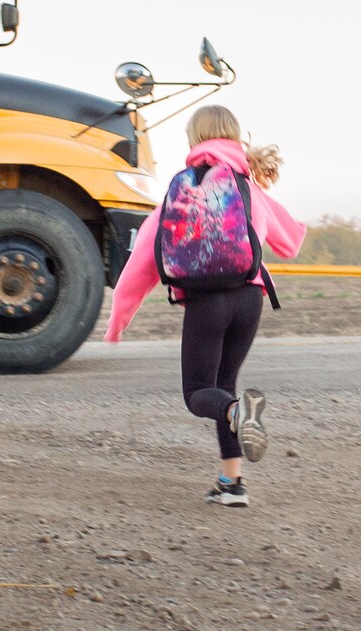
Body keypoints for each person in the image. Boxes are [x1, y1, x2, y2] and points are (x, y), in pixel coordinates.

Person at [105, 105, 303, 506]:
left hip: (206, 302)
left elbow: (142, 260)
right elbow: (290, 244)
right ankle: (232, 484)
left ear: (194, 140)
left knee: (200, 393)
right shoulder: (248, 188)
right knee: (223, 386)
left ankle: (236, 414)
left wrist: (118, 321)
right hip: (249, 298)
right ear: (236, 137)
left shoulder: (181, 191)